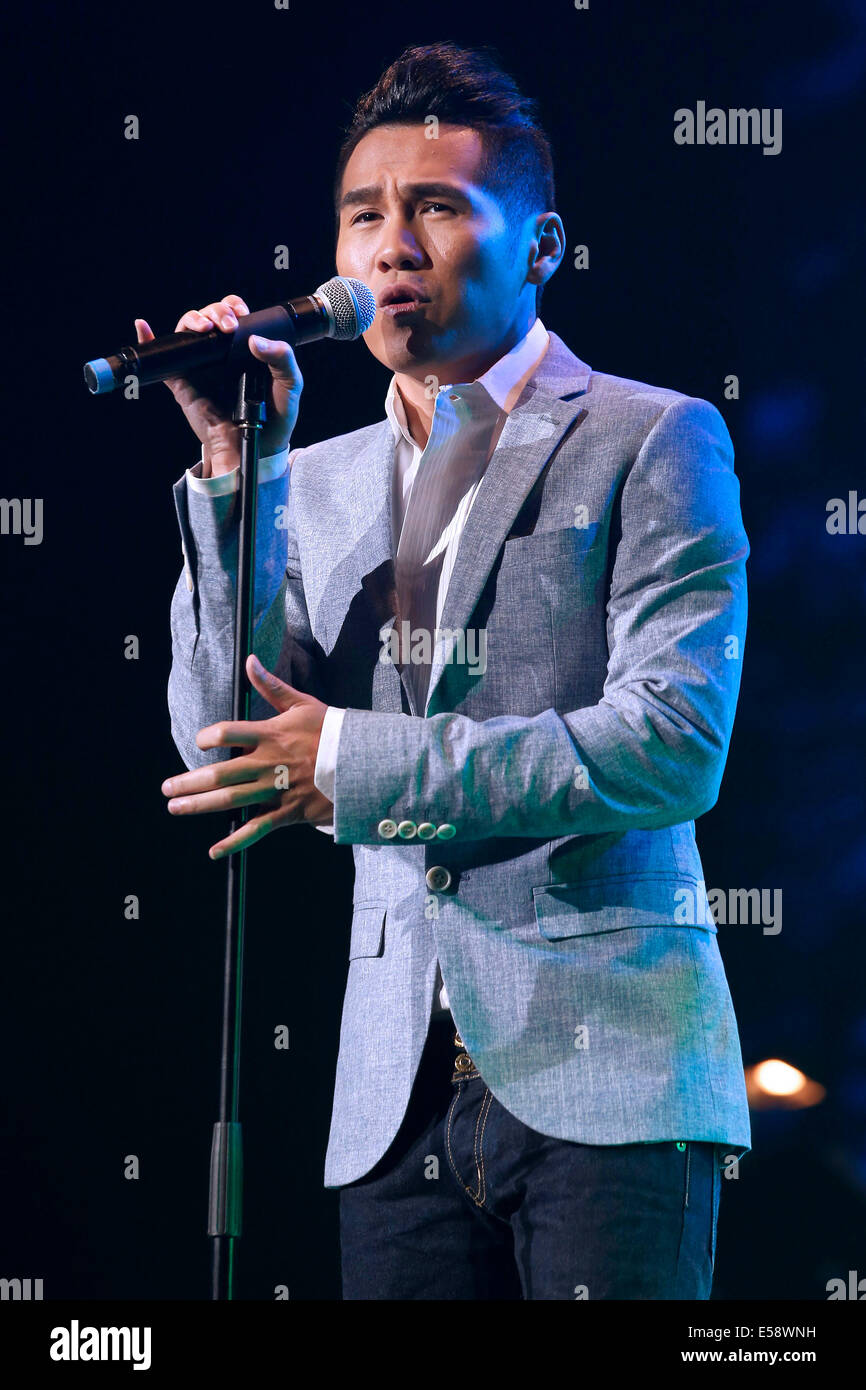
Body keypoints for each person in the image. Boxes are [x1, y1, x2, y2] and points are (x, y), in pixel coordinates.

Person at [150, 41, 751, 1300]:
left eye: (434, 206)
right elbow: (226, 740)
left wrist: (358, 761)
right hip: (390, 1097)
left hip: (611, 1073)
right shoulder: (307, 480)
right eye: (363, 214)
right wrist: (231, 469)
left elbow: (671, 740)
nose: (389, 245)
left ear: (539, 246)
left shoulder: (650, 436)